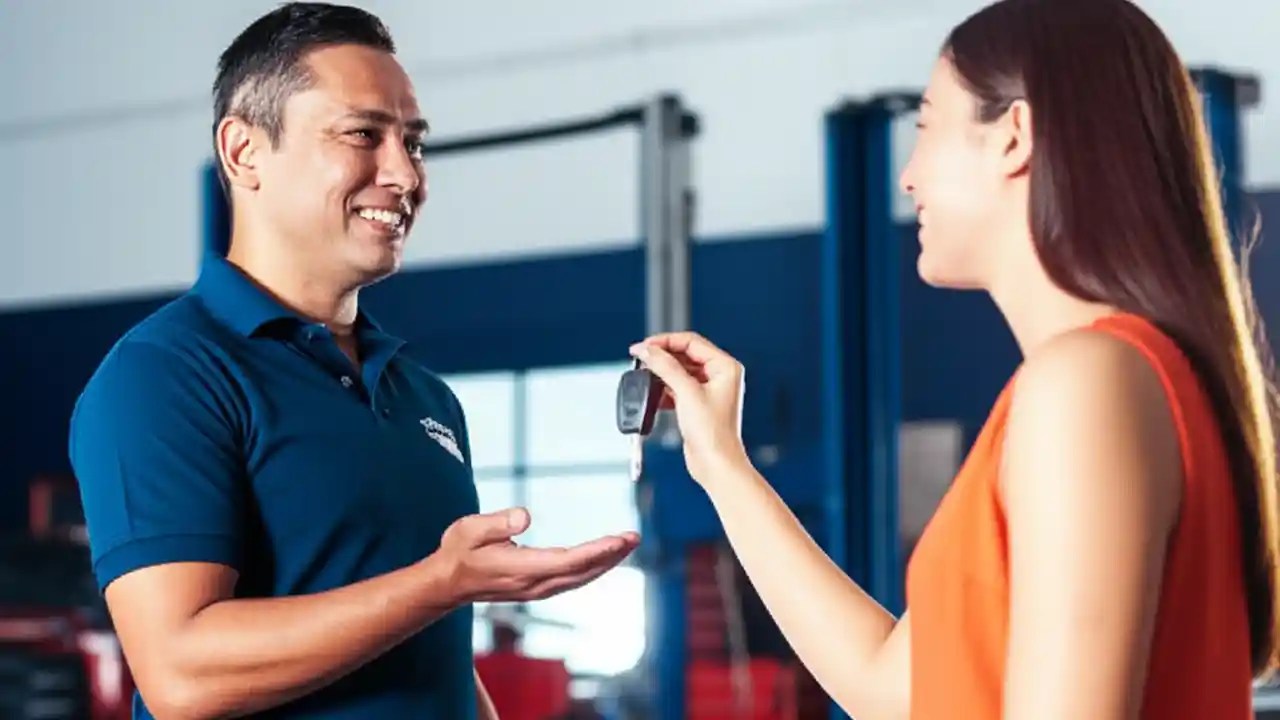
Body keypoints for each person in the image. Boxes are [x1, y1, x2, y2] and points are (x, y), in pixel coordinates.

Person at [629, 0, 1280, 718]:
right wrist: (721, 463)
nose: (908, 177)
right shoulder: (1110, 381)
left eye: (928, 127)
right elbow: (887, 688)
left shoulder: (1086, 383)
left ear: (1013, 137)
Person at [67, 4, 638, 719]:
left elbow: (439, 664)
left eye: (415, 143)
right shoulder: (163, 376)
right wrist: (440, 582)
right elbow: (184, 675)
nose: (405, 174)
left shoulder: (424, 396)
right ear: (244, 152)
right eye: (363, 134)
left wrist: (447, 592)